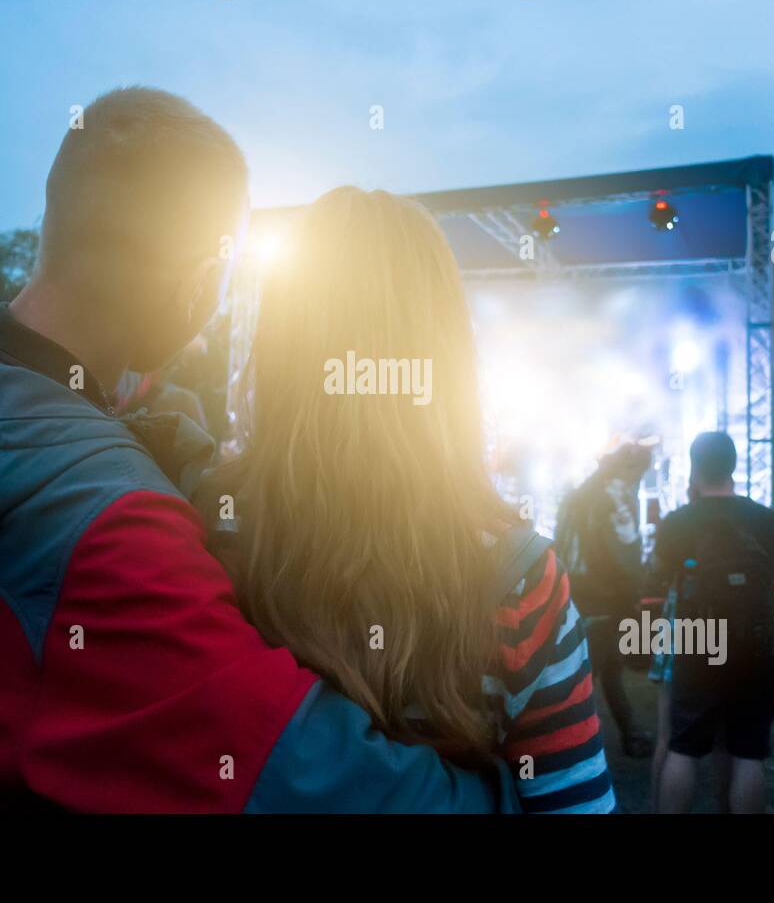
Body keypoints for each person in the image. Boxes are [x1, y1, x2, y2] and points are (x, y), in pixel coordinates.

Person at [0, 88, 517, 812]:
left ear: (54, 221)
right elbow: (305, 777)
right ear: (197, 286)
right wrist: (503, 791)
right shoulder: (108, 530)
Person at [196, 187, 615, 814]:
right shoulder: (522, 577)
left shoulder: (203, 525)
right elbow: (573, 804)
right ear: (447, 353)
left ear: (281, 340)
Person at [652, 432, 774, 813]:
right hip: (756, 639)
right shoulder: (766, 519)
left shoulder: (679, 521)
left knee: (683, 748)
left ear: (694, 469)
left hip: (699, 635)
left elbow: (658, 577)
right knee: (749, 754)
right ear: (733, 467)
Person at [557, 442, 653, 757]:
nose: (638, 482)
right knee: (595, 669)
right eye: (639, 475)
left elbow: (562, 543)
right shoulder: (613, 496)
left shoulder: (577, 496)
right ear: (628, 470)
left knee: (602, 667)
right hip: (605, 597)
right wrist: (632, 596)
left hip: (577, 593)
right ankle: (571, 741)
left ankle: (630, 734)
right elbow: (622, 553)